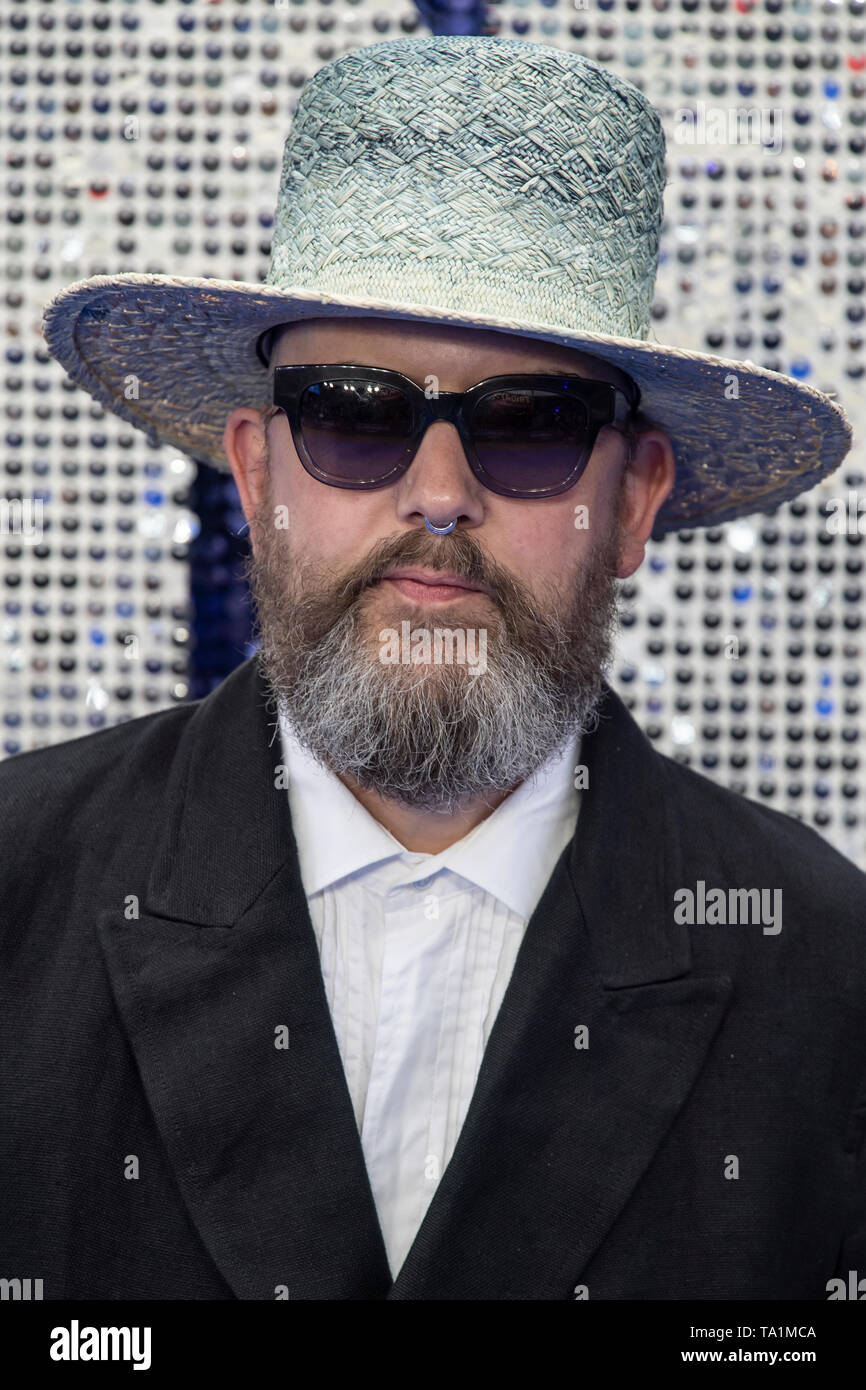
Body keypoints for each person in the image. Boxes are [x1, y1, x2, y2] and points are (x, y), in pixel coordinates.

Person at [4, 34, 865, 1301]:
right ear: (255, 475)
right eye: (355, 412)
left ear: (632, 503)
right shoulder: (15, 894)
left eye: (528, 426)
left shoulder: (830, 982)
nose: (439, 494)